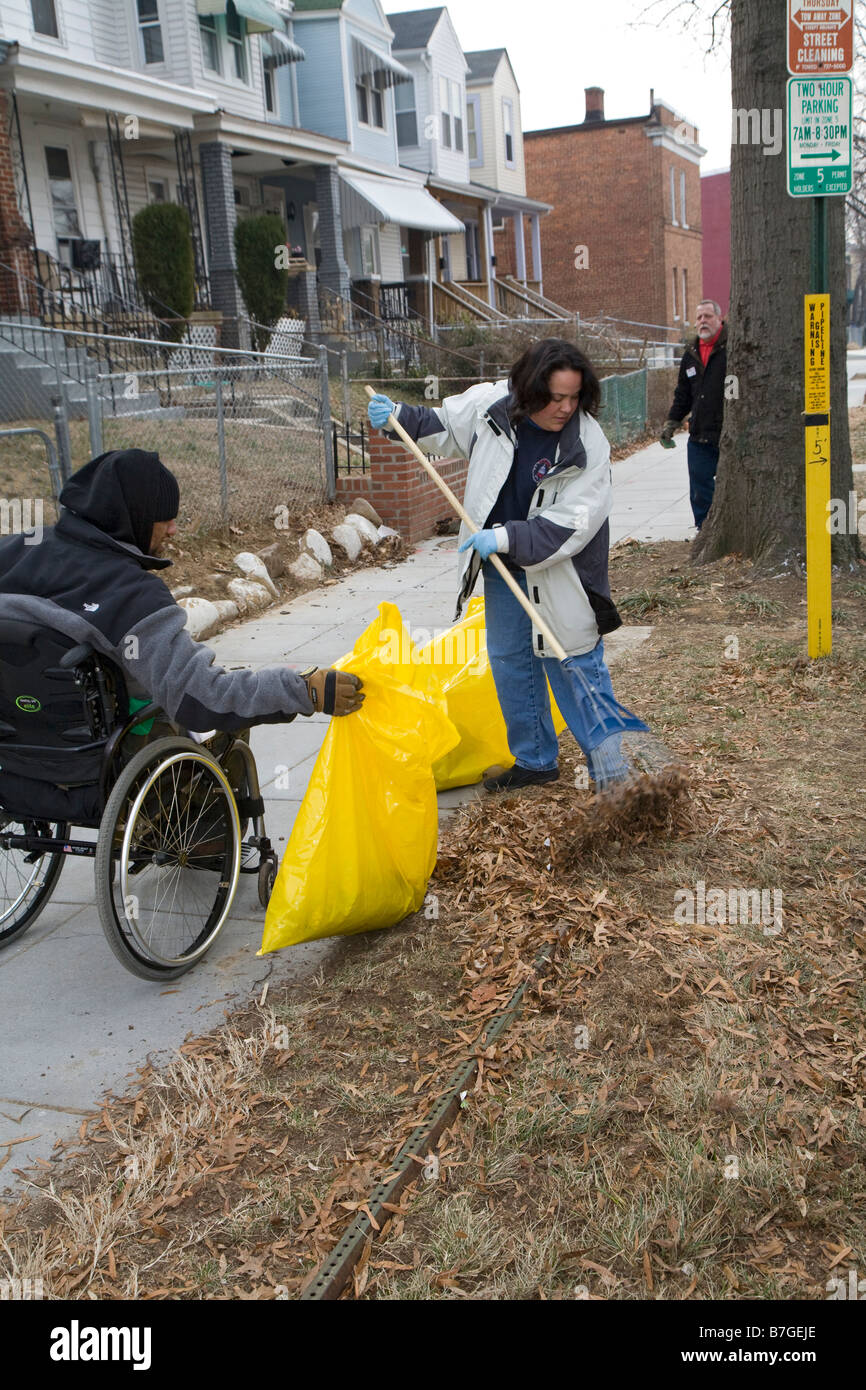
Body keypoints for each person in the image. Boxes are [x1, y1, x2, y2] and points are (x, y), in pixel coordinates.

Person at [0, 450, 363, 815]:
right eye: (165, 518)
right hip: (106, 769)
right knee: (226, 725)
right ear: (134, 517)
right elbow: (204, 698)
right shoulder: (131, 595)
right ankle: (204, 833)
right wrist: (302, 689)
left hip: (12, 765)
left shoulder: (14, 550)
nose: (173, 529)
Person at [367, 339, 649, 794]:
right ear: (529, 389)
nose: (566, 407)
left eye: (574, 397)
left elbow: (573, 523)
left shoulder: (586, 444)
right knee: (512, 663)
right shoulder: (491, 408)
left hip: (562, 575)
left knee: (574, 666)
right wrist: (396, 416)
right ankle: (535, 760)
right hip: (502, 569)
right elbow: (444, 425)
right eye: (556, 397)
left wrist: (503, 537)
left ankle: (613, 775)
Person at [660, 299, 728, 531]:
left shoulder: (731, 349)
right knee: (699, 485)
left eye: (708, 316)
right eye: (699, 317)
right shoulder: (690, 354)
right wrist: (671, 423)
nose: (702, 321)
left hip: (727, 433)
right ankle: (704, 529)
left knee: (731, 484)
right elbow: (683, 394)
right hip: (699, 432)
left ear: (719, 318)